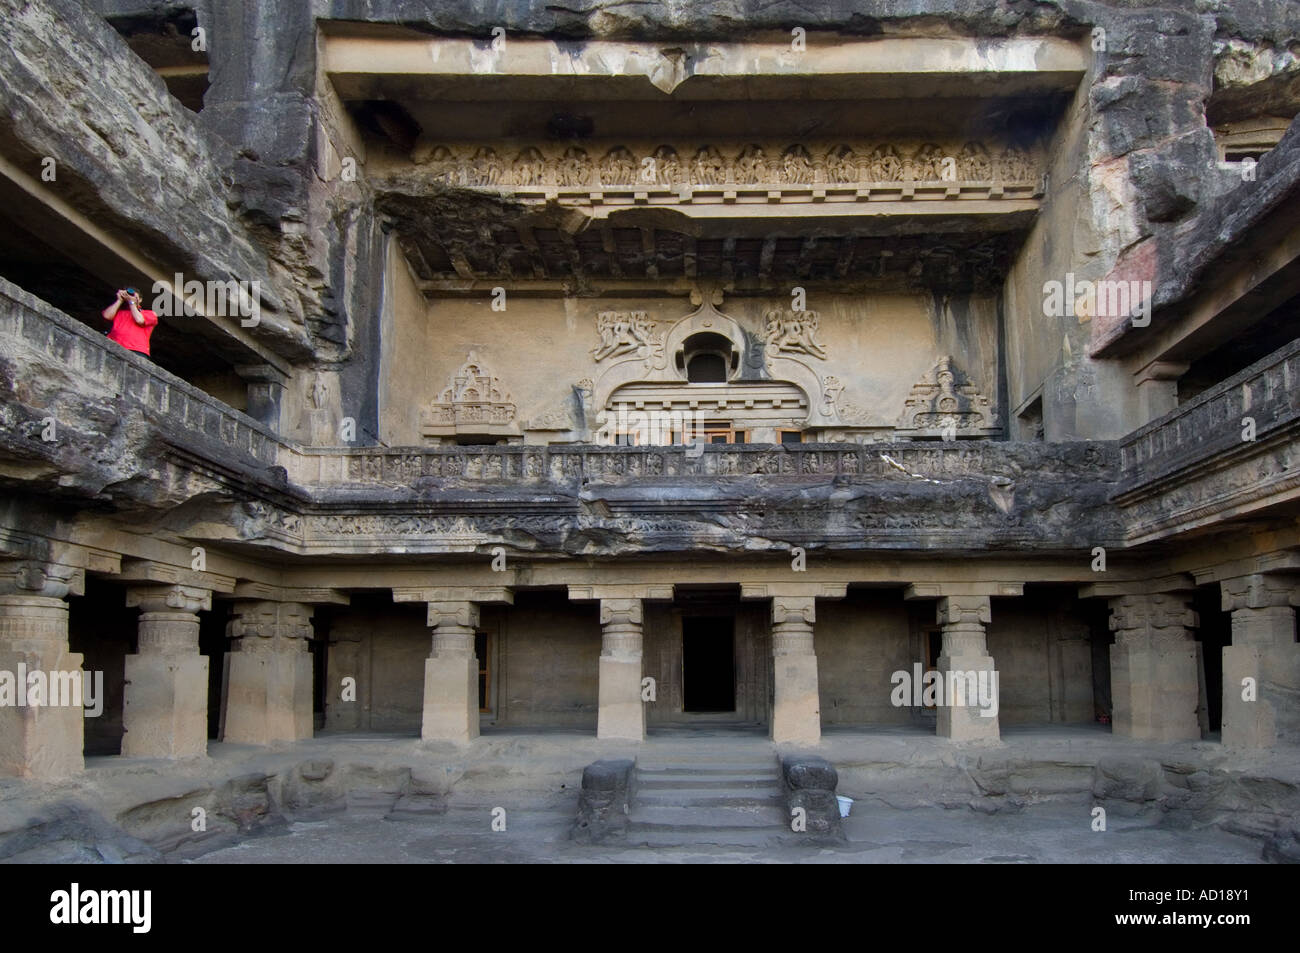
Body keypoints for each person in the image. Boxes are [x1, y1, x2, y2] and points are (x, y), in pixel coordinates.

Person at [101, 287, 158, 358]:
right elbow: (107, 316)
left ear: (140, 300)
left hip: (136, 350)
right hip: (114, 345)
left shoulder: (150, 314)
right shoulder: (119, 312)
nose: (130, 297)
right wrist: (119, 300)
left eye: (133, 296)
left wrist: (131, 302)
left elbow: (139, 320)